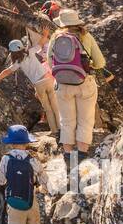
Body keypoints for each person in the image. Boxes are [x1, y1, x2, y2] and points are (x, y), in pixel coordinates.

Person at [46, 8, 110, 158]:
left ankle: (67, 153)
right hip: (84, 82)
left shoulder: (55, 37)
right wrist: (87, 66)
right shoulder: (86, 36)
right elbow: (100, 62)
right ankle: (81, 152)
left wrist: (63, 73)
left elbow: (49, 62)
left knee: (67, 119)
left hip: (62, 85)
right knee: (86, 118)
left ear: (61, 23)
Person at [0, 31, 60, 134]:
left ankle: (54, 131)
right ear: (22, 47)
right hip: (48, 78)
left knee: (47, 108)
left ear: (12, 52)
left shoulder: (17, 63)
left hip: (38, 84)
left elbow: (6, 72)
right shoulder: (30, 52)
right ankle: (61, 128)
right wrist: (45, 34)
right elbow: (40, 44)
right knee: (55, 105)